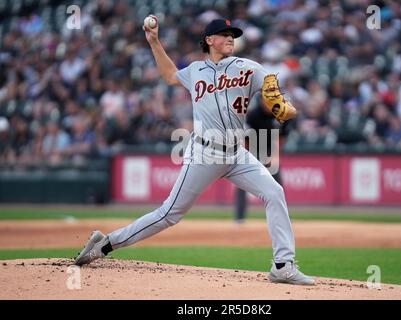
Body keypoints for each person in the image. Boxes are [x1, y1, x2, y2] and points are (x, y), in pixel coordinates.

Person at [74, 16, 315, 286]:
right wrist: (154, 42)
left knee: (274, 192)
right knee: (169, 214)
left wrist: (282, 104)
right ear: (209, 40)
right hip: (204, 153)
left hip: (237, 153)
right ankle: (105, 244)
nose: (230, 39)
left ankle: (283, 265)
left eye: (232, 35)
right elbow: (168, 75)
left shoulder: (249, 68)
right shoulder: (195, 71)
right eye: (224, 34)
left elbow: (274, 90)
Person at [234, 98, 294, 223]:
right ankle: (239, 217)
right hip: (253, 148)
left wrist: (275, 155)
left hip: (270, 149)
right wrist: (246, 157)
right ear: (261, 102)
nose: (267, 105)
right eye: (265, 102)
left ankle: (283, 217)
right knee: (241, 182)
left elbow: (281, 138)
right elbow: (246, 139)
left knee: (277, 185)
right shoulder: (253, 115)